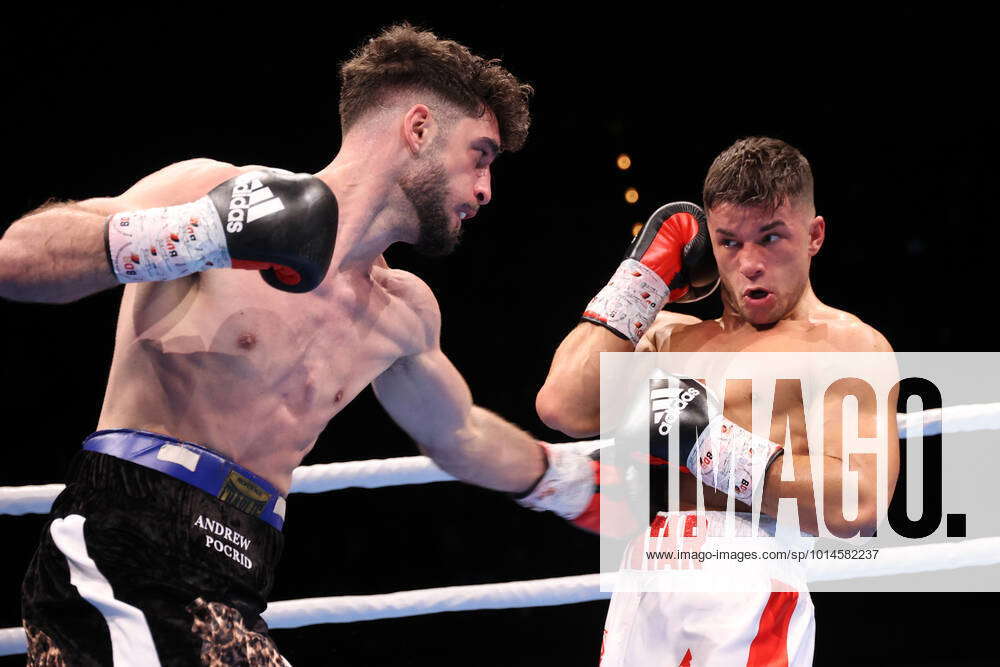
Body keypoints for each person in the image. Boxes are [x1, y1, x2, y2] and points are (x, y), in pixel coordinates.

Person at [0, 24, 551, 664]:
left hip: (236, 583)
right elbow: (15, 259)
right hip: (125, 548)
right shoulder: (217, 193)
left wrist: (583, 484)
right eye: (480, 156)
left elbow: (461, 435)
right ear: (419, 129)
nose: (485, 189)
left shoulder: (404, 312)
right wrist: (196, 232)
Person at [530, 137, 900, 665]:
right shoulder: (667, 337)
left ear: (814, 235)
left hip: (750, 568)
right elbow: (561, 407)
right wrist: (645, 277)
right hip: (649, 567)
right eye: (729, 243)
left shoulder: (845, 343)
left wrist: (710, 446)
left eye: (770, 238)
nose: (749, 263)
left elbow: (860, 503)